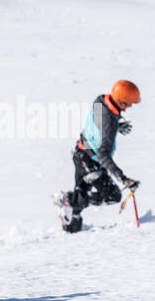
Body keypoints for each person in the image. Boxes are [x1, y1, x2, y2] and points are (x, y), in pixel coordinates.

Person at [58, 80, 142, 233]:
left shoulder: (101, 101)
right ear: (122, 102)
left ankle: (71, 215)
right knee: (111, 196)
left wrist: (117, 124)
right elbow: (103, 154)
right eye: (129, 103)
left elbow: (103, 120)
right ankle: (69, 201)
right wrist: (123, 179)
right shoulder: (108, 125)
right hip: (90, 162)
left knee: (77, 217)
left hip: (81, 152)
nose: (129, 107)